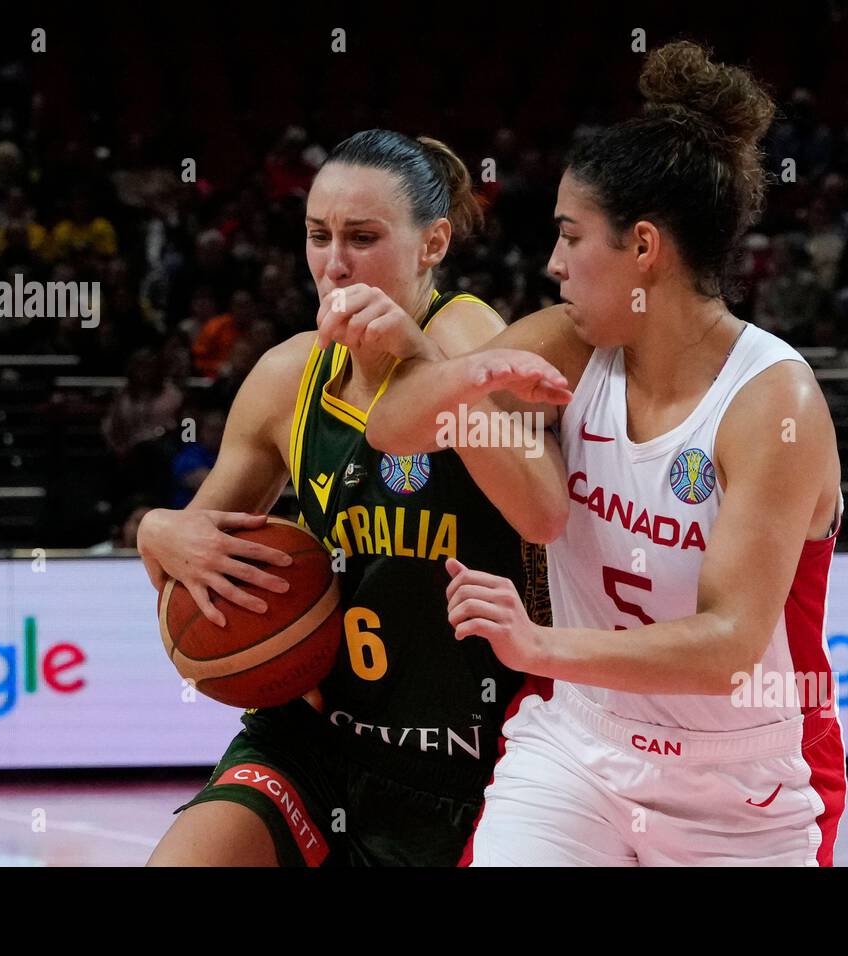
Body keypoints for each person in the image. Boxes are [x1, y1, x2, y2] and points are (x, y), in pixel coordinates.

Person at [364, 41, 847, 866]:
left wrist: (537, 647)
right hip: (579, 746)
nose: (552, 263)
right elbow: (392, 431)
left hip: (744, 783)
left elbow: (730, 646)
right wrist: (464, 375)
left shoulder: (773, 402)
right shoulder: (570, 345)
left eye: (570, 236)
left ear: (645, 250)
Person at [138, 130, 564, 867]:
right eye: (318, 236)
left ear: (432, 243)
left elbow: (542, 512)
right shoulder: (286, 379)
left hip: (484, 767)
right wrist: (158, 533)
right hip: (315, 744)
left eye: (362, 238)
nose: (334, 265)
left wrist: (422, 361)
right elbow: (197, 576)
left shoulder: (473, 337)